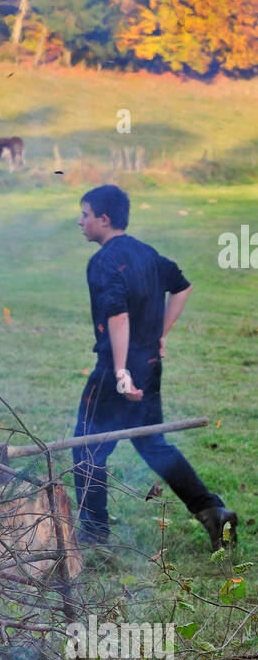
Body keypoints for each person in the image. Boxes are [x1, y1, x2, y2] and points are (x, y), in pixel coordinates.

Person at [72, 184, 237, 551]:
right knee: (152, 444)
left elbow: (118, 313)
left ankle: (94, 534)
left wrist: (119, 372)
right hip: (149, 365)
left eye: (85, 215)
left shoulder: (103, 261)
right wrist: (159, 334)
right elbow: (182, 286)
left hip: (120, 372)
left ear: (104, 219)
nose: (79, 222)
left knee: (86, 447)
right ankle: (212, 511)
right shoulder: (146, 254)